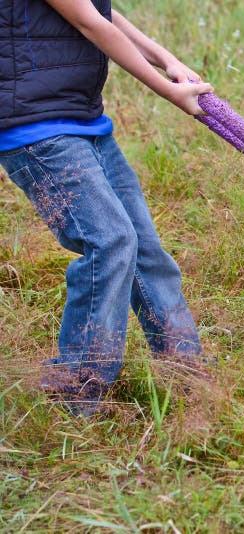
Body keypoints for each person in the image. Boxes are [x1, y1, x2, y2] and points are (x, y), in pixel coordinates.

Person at [0, 0, 214, 416]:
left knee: (144, 248)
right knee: (110, 241)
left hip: (80, 119)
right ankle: (77, 391)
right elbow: (89, 22)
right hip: (35, 128)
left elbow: (101, 11)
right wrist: (169, 90)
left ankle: (188, 374)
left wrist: (167, 59)